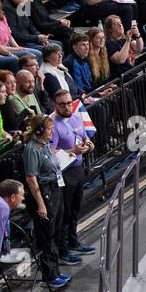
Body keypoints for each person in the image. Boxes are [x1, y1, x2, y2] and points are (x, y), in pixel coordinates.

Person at [20, 113, 71, 290]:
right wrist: (41, 204)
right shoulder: (32, 149)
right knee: (47, 234)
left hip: (55, 189)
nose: (52, 132)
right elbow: (31, 179)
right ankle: (49, 275)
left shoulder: (44, 146)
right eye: (49, 129)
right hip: (44, 193)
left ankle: (55, 271)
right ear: (40, 130)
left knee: (55, 231)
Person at [49, 89, 95, 264]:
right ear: (55, 105)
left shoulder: (75, 118)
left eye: (69, 103)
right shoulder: (52, 123)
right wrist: (72, 151)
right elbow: (51, 152)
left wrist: (88, 145)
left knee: (75, 208)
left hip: (78, 169)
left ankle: (73, 241)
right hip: (64, 172)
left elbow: (85, 138)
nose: (67, 106)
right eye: (63, 104)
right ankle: (63, 248)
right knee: (65, 212)